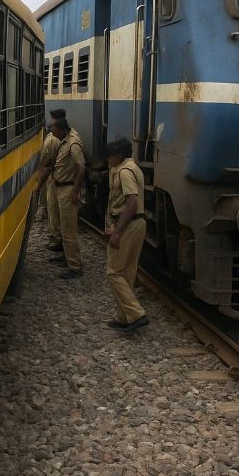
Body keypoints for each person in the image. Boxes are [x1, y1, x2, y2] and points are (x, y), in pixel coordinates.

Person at [104, 138, 148, 332]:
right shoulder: (134, 167)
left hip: (128, 223)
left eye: (110, 156)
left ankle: (137, 314)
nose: (108, 160)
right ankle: (124, 318)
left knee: (113, 272)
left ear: (119, 155)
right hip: (138, 223)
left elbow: (131, 202)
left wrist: (117, 232)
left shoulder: (123, 172)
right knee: (128, 272)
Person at [47, 117, 85, 279]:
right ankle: (66, 257)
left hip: (68, 189)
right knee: (62, 226)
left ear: (62, 130)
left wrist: (76, 192)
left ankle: (75, 267)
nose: (51, 130)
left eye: (53, 128)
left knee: (69, 230)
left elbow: (81, 167)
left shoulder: (73, 144)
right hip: (59, 187)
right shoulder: (63, 141)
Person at [35, 109, 67, 250]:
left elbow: (45, 165)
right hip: (57, 178)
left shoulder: (52, 140)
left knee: (53, 211)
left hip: (54, 179)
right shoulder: (64, 136)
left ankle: (57, 239)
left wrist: (37, 185)